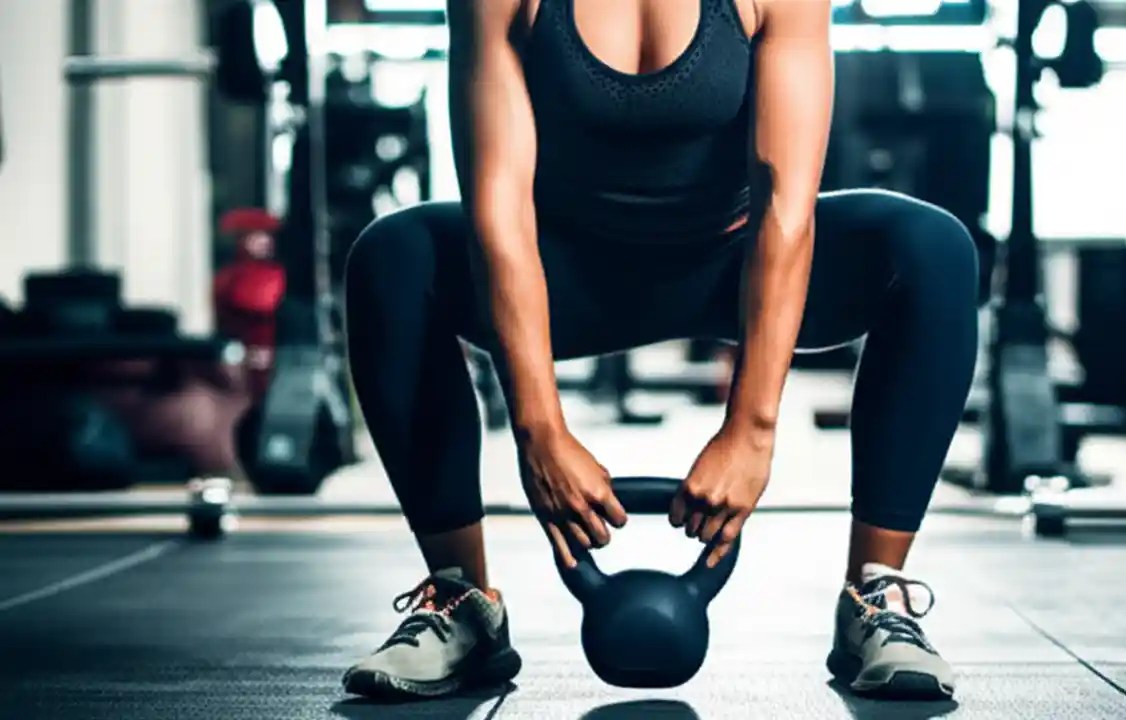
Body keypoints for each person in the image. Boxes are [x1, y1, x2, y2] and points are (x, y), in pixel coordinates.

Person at [341, 0, 978, 702]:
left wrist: (751, 429)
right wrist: (539, 430)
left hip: (727, 263)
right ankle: (462, 601)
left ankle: (875, 596)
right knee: (394, 256)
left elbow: (784, 206)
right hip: (569, 271)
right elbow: (500, 210)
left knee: (932, 248)